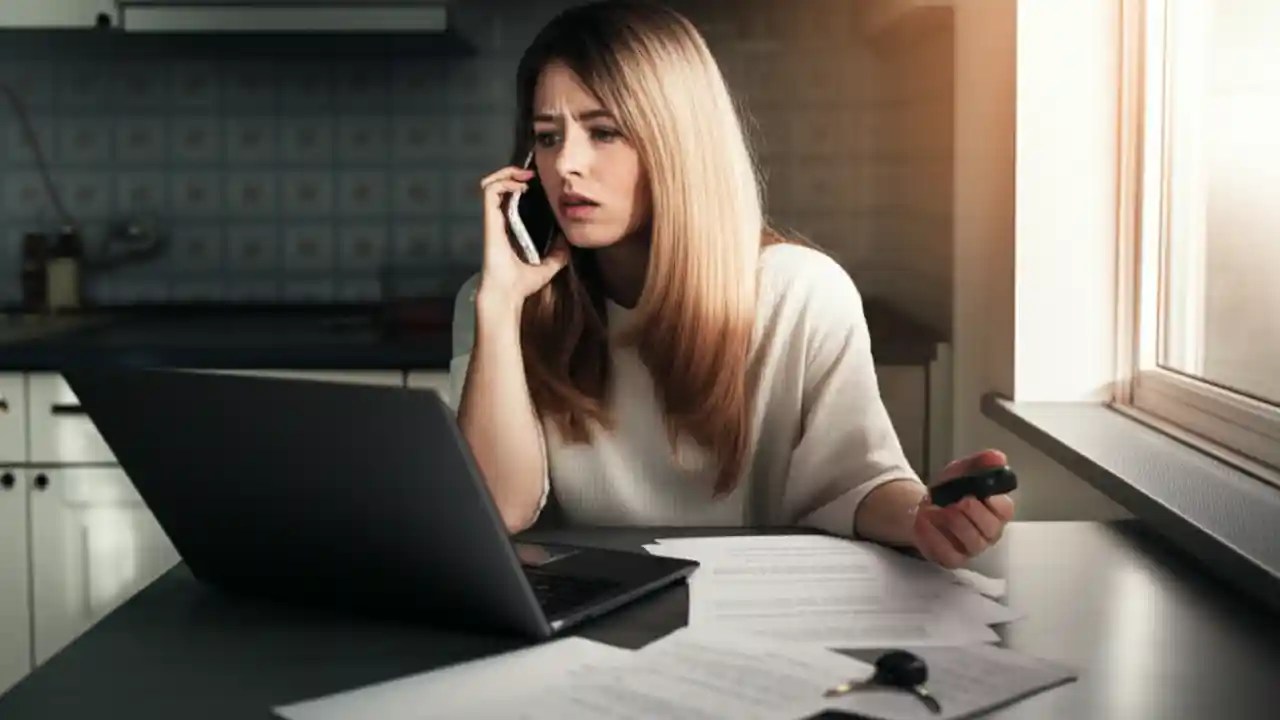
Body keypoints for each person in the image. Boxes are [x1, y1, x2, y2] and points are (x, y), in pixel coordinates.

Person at [455, 0, 1014, 569]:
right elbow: (499, 510)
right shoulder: (500, 302)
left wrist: (925, 515)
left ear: (679, 143)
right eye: (548, 137)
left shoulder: (802, 293)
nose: (566, 164)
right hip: (591, 606)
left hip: (759, 605)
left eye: (604, 132)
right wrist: (498, 308)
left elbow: (859, 481)